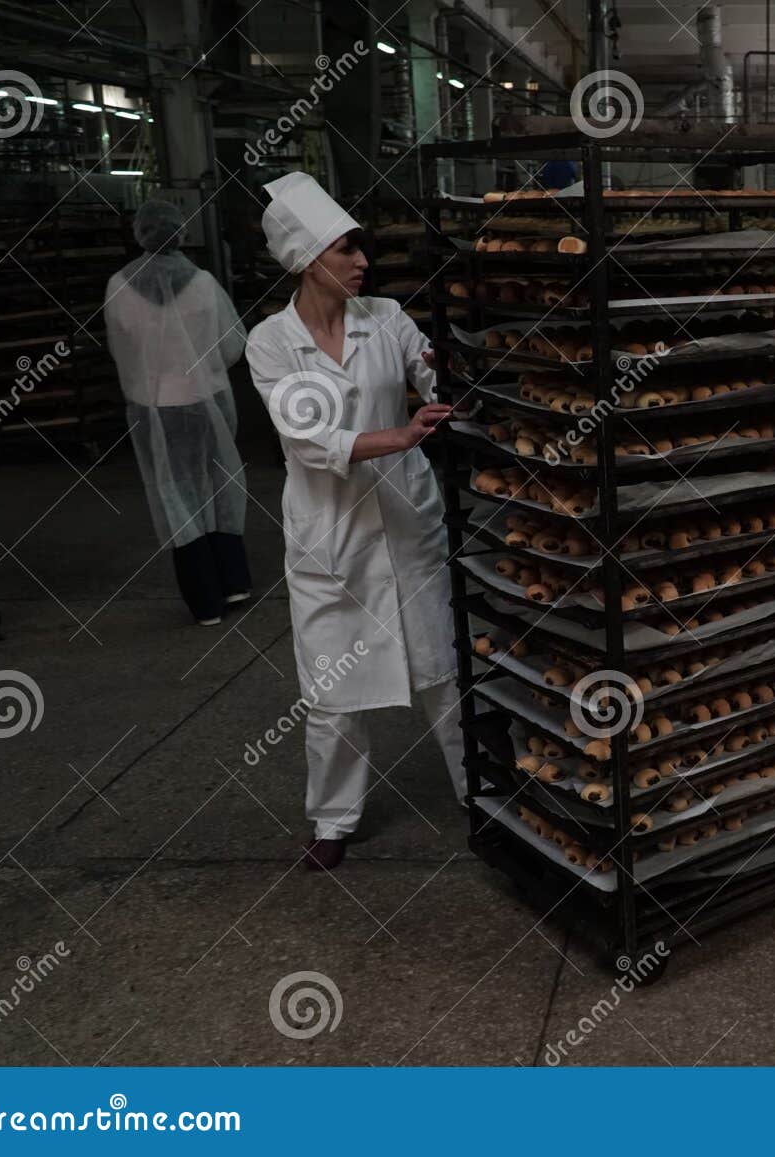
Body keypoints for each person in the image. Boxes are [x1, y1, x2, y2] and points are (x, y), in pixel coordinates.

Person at [245, 173, 464, 871]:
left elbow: (432, 375)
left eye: (359, 250)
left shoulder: (386, 317)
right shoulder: (271, 344)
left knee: (441, 669)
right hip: (329, 536)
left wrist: (450, 367)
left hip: (405, 522)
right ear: (309, 260)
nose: (362, 261)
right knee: (333, 693)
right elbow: (309, 440)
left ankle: (481, 793)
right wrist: (399, 436)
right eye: (346, 250)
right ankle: (333, 819)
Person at [104, 199, 252, 626]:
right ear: (180, 231)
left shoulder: (118, 285)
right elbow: (231, 345)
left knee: (174, 495)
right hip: (208, 401)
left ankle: (206, 602)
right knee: (219, 482)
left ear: (140, 233)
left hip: (154, 407)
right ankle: (234, 580)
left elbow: (120, 350)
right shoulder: (204, 283)